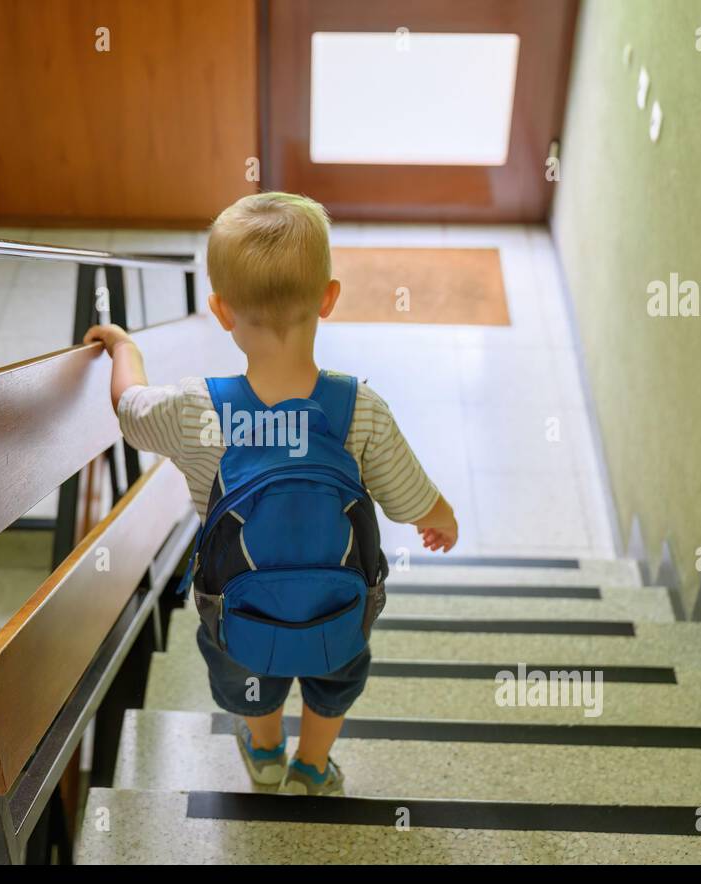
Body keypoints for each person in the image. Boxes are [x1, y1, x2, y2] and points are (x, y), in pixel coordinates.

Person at [85, 192, 457, 795]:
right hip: (339, 608)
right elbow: (413, 499)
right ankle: (312, 767)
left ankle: (263, 750)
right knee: (335, 681)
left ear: (220, 310)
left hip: (238, 608)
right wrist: (443, 520)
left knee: (244, 678)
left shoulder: (194, 408)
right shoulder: (360, 407)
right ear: (329, 298)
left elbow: (127, 409)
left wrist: (126, 350)